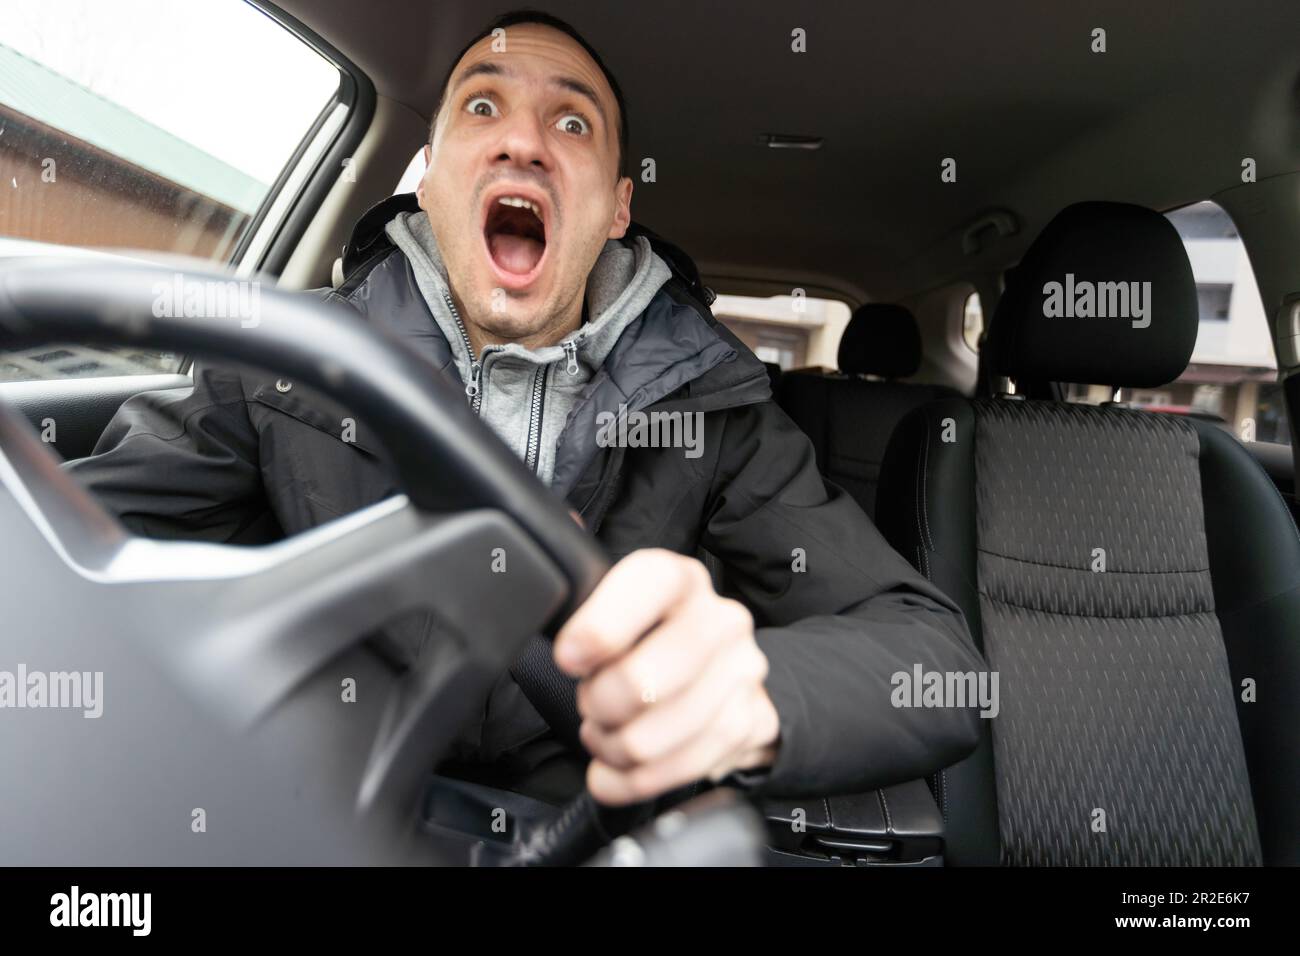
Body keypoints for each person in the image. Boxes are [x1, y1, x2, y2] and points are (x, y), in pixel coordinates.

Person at [64, 10, 985, 808]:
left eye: (573, 122)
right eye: (481, 106)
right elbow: (75, 551)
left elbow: (937, 666)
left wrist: (752, 695)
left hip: (584, 822)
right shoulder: (282, 363)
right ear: (427, 179)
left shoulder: (715, 408)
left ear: (618, 209)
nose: (523, 142)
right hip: (322, 806)